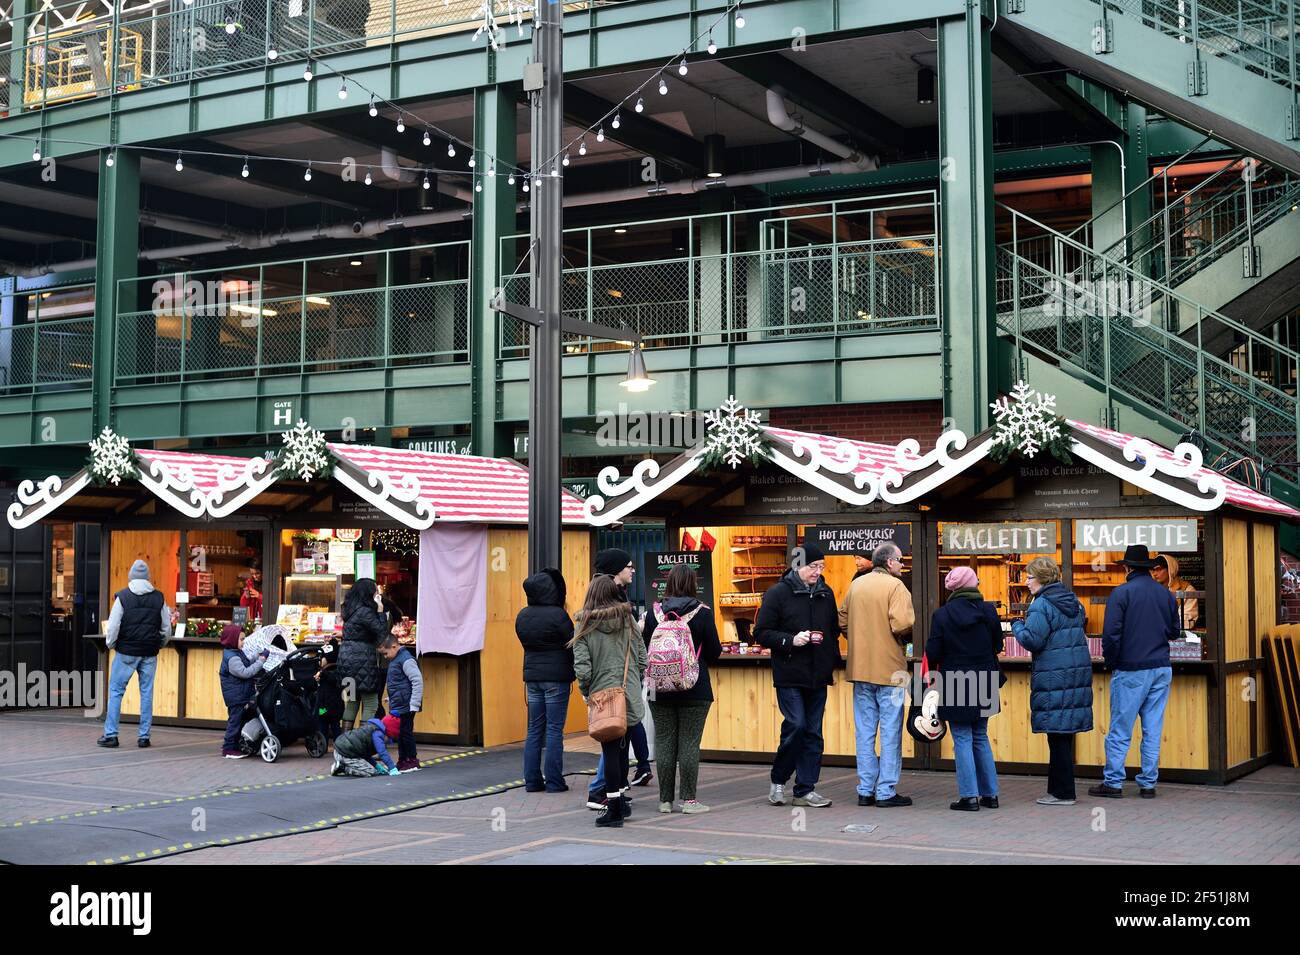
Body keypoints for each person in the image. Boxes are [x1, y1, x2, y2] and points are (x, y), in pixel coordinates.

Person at [754, 542, 841, 808]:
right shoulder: (777, 593)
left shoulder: (826, 593)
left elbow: (833, 631)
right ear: (797, 565)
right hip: (790, 673)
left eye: (821, 567)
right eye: (813, 566)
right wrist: (791, 640)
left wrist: (830, 662)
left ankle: (805, 789)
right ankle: (778, 780)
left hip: (818, 674)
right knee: (797, 725)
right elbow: (761, 633)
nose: (818, 572)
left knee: (813, 732)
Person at [1091, 545, 1179, 799]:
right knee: (1152, 728)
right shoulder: (1166, 595)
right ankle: (1148, 783)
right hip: (1161, 667)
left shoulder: (1121, 593)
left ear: (1127, 568)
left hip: (1131, 668)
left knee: (1121, 728)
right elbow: (1174, 632)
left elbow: (1111, 635)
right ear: (1148, 568)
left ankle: (1113, 782)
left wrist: (1111, 662)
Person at [1012, 557, 1093, 806]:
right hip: (1074, 672)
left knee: (1057, 736)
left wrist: (1017, 626)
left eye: (1030, 577)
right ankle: (1060, 790)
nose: (1026, 582)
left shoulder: (1041, 605)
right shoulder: (1074, 601)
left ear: (1042, 579)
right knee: (1063, 735)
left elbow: (1033, 640)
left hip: (1054, 674)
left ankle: (1062, 793)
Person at [839, 543, 915, 808]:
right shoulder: (896, 587)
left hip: (860, 669)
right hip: (891, 670)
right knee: (890, 731)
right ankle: (885, 790)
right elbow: (903, 623)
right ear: (890, 562)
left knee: (865, 732)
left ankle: (865, 789)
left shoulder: (856, 585)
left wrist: (859, 638)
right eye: (901, 560)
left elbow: (842, 621)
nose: (902, 565)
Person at [643, 564, 722, 814]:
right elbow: (714, 651)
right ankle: (689, 801)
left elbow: (645, 648)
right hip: (694, 687)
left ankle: (665, 801)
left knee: (664, 741)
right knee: (689, 742)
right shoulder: (703, 613)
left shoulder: (653, 613)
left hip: (658, 687)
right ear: (692, 584)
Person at [572, 575, 648, 829]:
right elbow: (642, 658)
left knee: (610, 752)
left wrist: (587, 692)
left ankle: (614, 809)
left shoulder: (584, 625)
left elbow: (583, 669)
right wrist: (633, 682)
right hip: (629, 694)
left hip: (603, 697)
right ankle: (621, 802)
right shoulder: (628, 619)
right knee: (623, 750)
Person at [925, 566, 1003, 811]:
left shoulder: (942, 615)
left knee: (961, 737)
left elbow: (933, 651)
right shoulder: (988, 610)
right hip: (984, 678)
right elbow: (998, 645)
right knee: (980, 735)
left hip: (955, 679)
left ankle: (969, 797)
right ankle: (990, 795)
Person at [587, 548, 653, 801]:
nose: (633, 570)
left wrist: (587, 687)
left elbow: (583, 658)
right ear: (616, 570)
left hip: (603, 686)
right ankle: (601, 791)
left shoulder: (589, 610)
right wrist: (636, 673)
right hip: (621, 684)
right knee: (616, 736)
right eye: (629, 566)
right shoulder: (622, 611)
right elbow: (638, 651)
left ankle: (614, 791)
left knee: (614, 738)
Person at [98, 559, 174, 749]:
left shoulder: (123, 597)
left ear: (131, 576)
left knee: (116, 692)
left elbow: (113, 626)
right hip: (149, 652)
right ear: (148, 578)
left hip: (126, 651)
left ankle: (111, 735)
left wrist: (111, 644)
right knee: (146, 693)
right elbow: (166, 628)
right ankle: (144, 737)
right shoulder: (159, 598)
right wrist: (159, 644)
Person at [515, 568, 575, 793]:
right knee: (554, 730)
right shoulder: (558, 615)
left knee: (534, 729)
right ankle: (554, 781)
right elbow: (572, 642)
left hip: (532, 678)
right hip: (556, 679)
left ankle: (532, 781)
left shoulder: (522, 615)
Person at [338, 578, 388, 729]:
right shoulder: (365, 612)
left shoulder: (349, 610)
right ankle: (363, 740)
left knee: (352, 701)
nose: (377, 594)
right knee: (371, 703)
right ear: (368, 593)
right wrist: (380, 611)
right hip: (362, 661)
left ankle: (345, 740)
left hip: (346, 660)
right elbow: (382, 634)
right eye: (375, 591)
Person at [218, 622, 270, 759]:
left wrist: (257, 656)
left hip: (241, 694)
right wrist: (261, 661)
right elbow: (245, 672)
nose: (244, 642)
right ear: (232, 640)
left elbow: (246, 662)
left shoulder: (236, 653)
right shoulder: (232, 658)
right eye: (241, 639)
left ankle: (236, 745)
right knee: (235, 722)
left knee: (240, 720)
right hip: (236, 696)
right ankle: (228, 749)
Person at [378, 633, 423, 772]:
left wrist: (414, 703)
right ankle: (403, 760)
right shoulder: (396, 659)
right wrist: (391, 698)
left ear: (393, 646)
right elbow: (400, 684)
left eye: (385, 653)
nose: (385, 657)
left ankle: (412, 760)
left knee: (405, 732)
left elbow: (417, 681)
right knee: (401, 733)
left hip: (407, 704)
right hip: (401, 703)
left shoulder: (406, 660)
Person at [331, 713, 402, 777]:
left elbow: (365, 755)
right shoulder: (378, 734)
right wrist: (392, 768)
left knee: (372, 768)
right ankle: (342, 768)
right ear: (388, 732)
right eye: (389, 738)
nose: (387, 742)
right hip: (345, 753)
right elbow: (382, 753)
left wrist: (376, 766)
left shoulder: (372, 729)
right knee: (370, 771)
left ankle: (342, 764)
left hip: (341, 749)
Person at [1153, 554, 1198, 630]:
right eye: (1153, 570)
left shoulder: (1187, 589)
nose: (1155, 573)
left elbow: (1187, 621)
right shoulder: (1151, 589)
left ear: (1170, 569)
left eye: (1159, 569)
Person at [315, 638, 345, 744]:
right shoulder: (338, 672)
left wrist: (321, 673)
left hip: (326, 708)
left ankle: (325, 744)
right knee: (333, 725)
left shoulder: (326, 673)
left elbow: (331, 678)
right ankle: (335, 745)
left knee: (324, 723)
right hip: (334, 708)